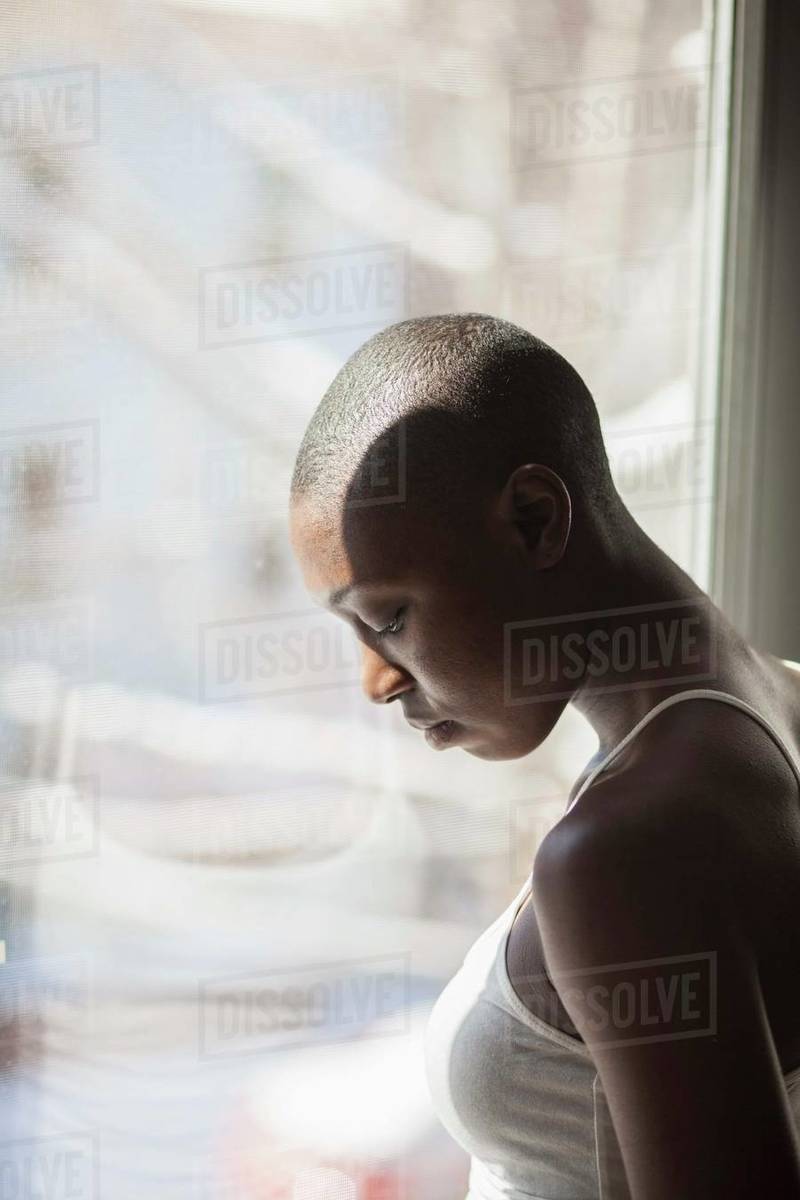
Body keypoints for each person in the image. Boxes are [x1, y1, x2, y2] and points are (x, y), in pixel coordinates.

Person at [288, 313, 800, 1199]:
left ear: (533, 520)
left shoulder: (627, 850)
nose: (377, 681)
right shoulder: (773, 708)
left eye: (387, 619)